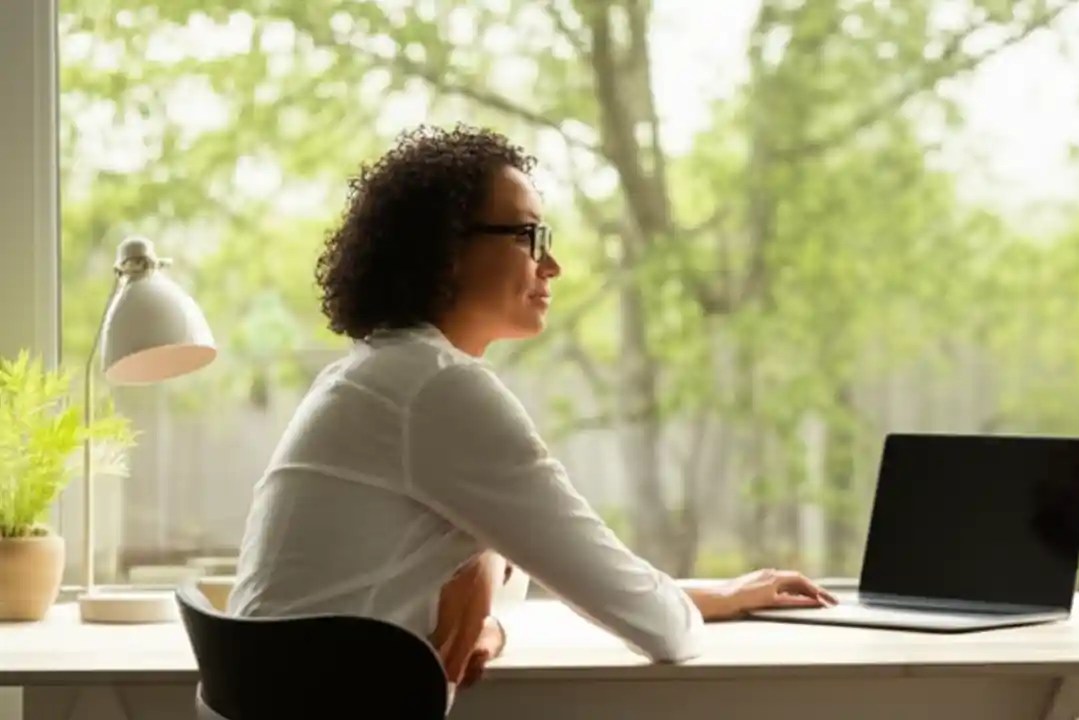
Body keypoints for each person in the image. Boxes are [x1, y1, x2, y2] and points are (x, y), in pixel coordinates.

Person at [226, 123, 837, 702]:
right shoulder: (439, 391)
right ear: (445, 250)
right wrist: (494, 577)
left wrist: (484, 567)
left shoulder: (373, 375)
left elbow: (547, 568)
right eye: (528, 236)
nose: (552, 265)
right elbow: (663, 632)